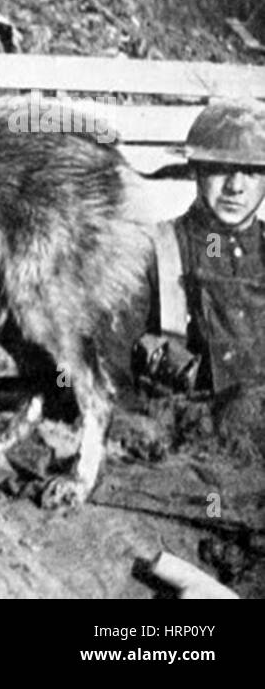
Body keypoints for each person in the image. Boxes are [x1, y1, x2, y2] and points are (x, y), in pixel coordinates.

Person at [132, 98, 265, 458]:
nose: (235, 187)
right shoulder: (159, 251)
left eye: (252, 172)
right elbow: (108, 369)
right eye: (220, 168)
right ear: (196, 171)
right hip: (189, 449)